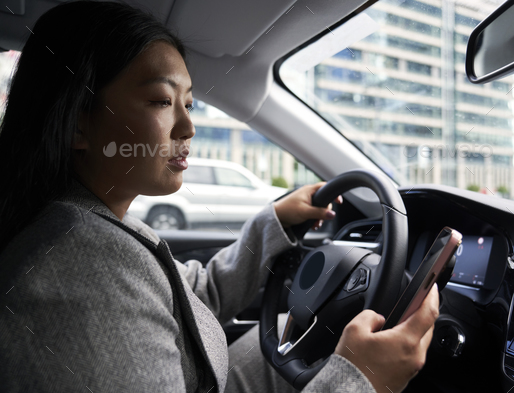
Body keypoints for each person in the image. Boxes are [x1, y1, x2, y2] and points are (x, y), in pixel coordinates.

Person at [0, 2, 439, 392]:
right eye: (160, 101)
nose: (188, 128)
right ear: (78, 123)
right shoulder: (78, 271)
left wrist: (276, 221)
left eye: (188, 104)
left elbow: (195, 296)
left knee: (298, 329)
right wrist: (359, 380)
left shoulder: (101, 223)